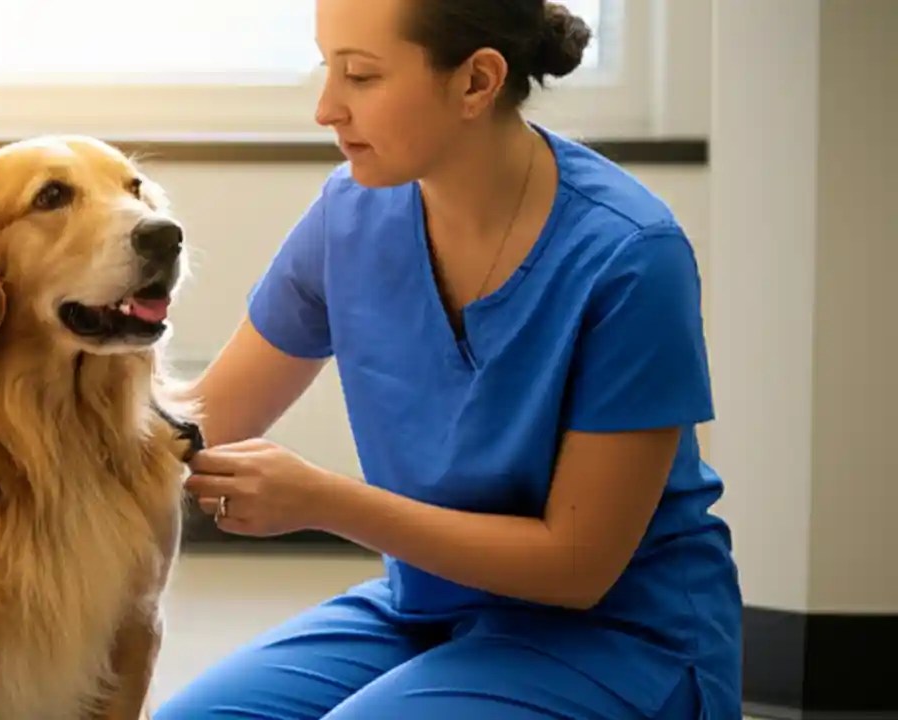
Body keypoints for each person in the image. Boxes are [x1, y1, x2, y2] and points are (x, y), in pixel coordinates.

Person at [154, 0, 742, 718]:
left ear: (476, 82)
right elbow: (202, 424)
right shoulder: (348, 218)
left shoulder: (630, 256)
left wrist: (321, 501)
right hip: (426, 607)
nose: (326, 109)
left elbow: (577, 567)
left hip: (617, 634)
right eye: (326, 68)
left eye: (361, 76)